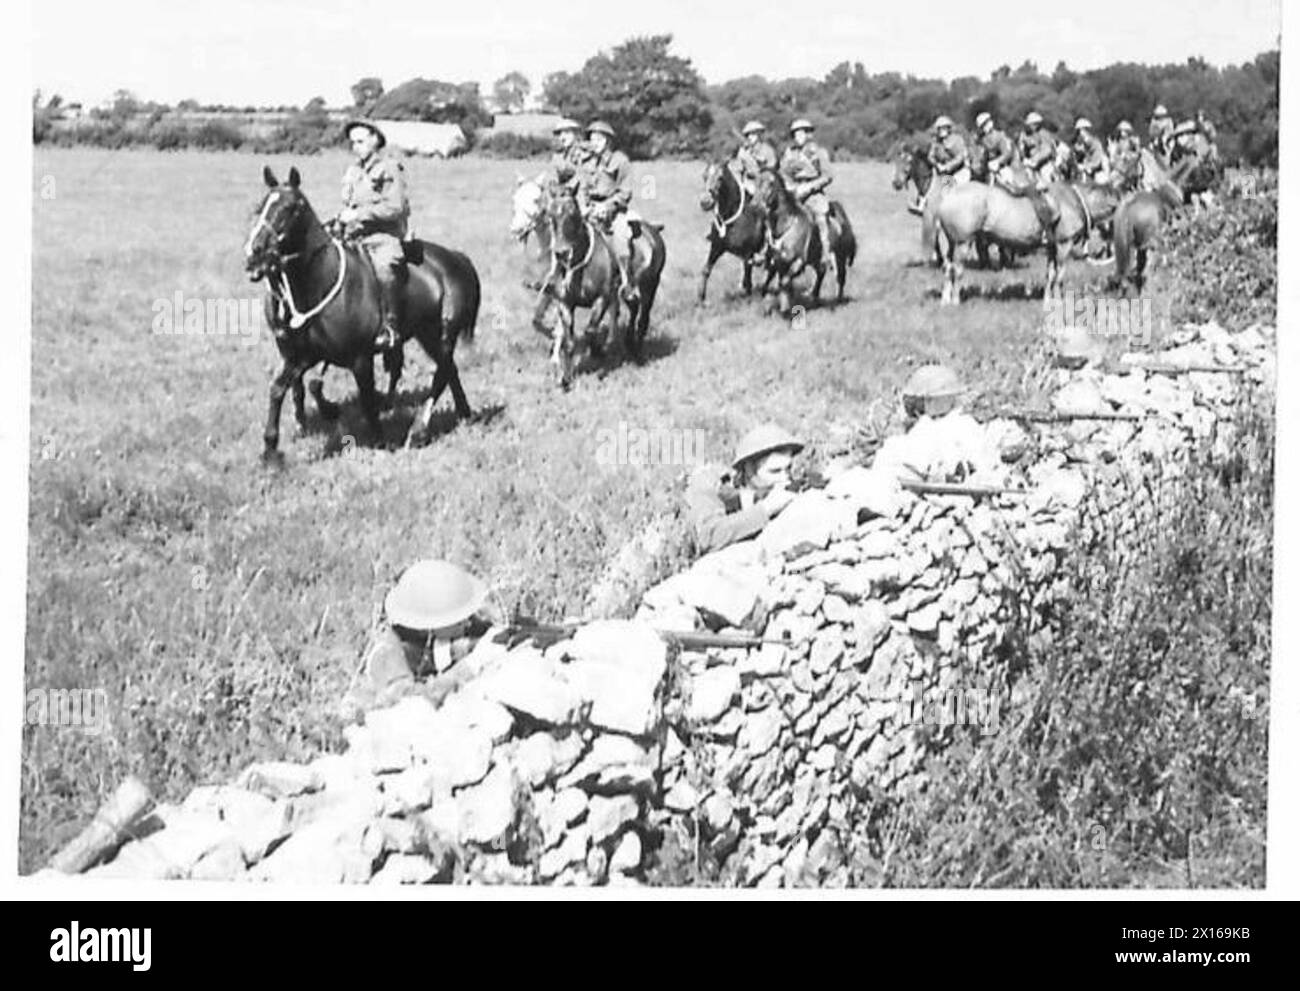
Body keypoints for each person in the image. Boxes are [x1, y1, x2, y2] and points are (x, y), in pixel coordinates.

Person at [353, 559, 492, 709]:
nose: (468, 623)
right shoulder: (387, 653)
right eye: (458, 620)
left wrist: (475, 646)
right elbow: (415, 704)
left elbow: (435, 653)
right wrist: (470, 666)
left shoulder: (424, 633)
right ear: (428, 625)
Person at [339, 118, 410, 353]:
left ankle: (390, 326)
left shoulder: (389, 168)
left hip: (383, 238)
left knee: (383, 269)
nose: (355, 147)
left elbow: (397, 207)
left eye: (360, 141)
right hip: (355, 237)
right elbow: (350, 204)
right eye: (352, 143)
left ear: (375, 140)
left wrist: (360, 214)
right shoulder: (354, 171)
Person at [685, 424, 803, 553]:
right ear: (749, 470)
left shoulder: (786, 484)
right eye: (775, 471)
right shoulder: (711, 485)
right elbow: (708, 538)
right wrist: (766, 508)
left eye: (788, 469)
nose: (785, 478)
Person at [577, 120, 640, 304]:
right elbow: (582, 187)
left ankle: (626, 283)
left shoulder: (620, 161)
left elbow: (625, 192)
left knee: (621, 237)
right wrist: (583, 206)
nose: (594, 142)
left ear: (608, 141)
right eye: (592, 138)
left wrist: (607, 207)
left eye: (599, 138)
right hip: (589, 210)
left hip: (613, 211)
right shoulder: (586, 161)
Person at [780, 119, 838, 279]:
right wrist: (789, 186)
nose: (798, 136)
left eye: (801, 132)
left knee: (821, 216)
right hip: (793, 192)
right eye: (795, 133)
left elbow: (828, 176)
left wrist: (809, 187)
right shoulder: (789, 153)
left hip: (813, 193)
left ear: (808, 134)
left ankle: (826, 254)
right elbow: (783, 172)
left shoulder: (819, 153)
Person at [1017, 111, 1062, 236]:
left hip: (1044, 165)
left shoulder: (1044, 134)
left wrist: (1034, 160)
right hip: (1029, 166)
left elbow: (1046, 150)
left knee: (1046, 186)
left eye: (1033, 124)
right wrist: (1023, 155)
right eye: (1030, 124)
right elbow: (1021, 151)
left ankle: (1053, 213)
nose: (1031, 126)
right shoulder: (1024, 135)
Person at [972, 111, 1016, 185]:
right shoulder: (981, 140)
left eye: (986, 124)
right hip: (986, 168)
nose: (985, 128)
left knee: (1008, 179)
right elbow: (979, 154)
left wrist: (997, 161)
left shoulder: (1000, 136)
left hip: (1002, 166)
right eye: (982, 126)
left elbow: (1007, 153)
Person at [735, 120, 778, 194]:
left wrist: (760, 160)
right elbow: (739, 167)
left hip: (764, 182)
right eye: (748, 135)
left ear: (758, 135)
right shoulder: (743, 151)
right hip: (748, 181)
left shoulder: (767, 149)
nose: (750, 137)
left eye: (752, 134)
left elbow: (772, 166)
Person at [927, 116, 972, 186]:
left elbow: (960, 157)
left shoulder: (957, 139)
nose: (941, 131)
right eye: (939, 129)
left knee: (956, 190)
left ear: (948, 128)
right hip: (946, 174)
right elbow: (930, 156)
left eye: (944, 128)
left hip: (960, 171)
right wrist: (937, 164)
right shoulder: (936, 142)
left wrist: (947, 166)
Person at [548, 118, 590, 189]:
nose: (563, 137)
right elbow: (551, 174)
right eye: (560, 134)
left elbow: (582, 175)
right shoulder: (558, 155)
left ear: (576, 134)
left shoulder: (584, 153)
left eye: (567, 133)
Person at [1072, 118, 1111, 183]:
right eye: (1078, 131)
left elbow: (1096, 162)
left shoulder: (1096, 144)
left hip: (1100, 174)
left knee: (1098, 178)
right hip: (1089, 173)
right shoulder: (1083, 145)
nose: (1079, 134)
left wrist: (1084, 166)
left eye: (1080, 131)